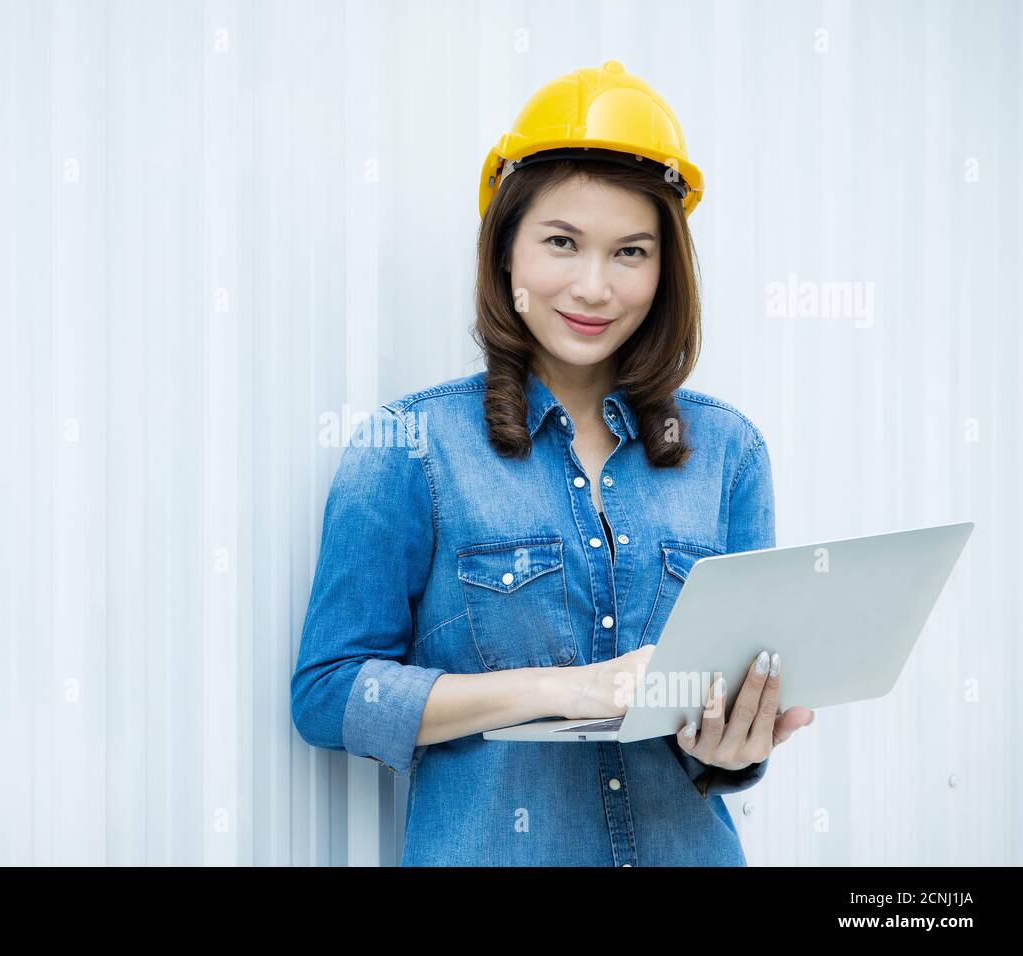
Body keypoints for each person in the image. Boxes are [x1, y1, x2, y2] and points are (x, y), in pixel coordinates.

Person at [290, 61, 814, 866]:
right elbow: (329, 694)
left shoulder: (729, 454)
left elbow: (721, 739)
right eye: (562, 243)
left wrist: (736, 747)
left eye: (630, 252)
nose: (595, 286)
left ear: (665, 268)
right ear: (505, 251)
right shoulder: (410, 448)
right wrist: (563, 691)